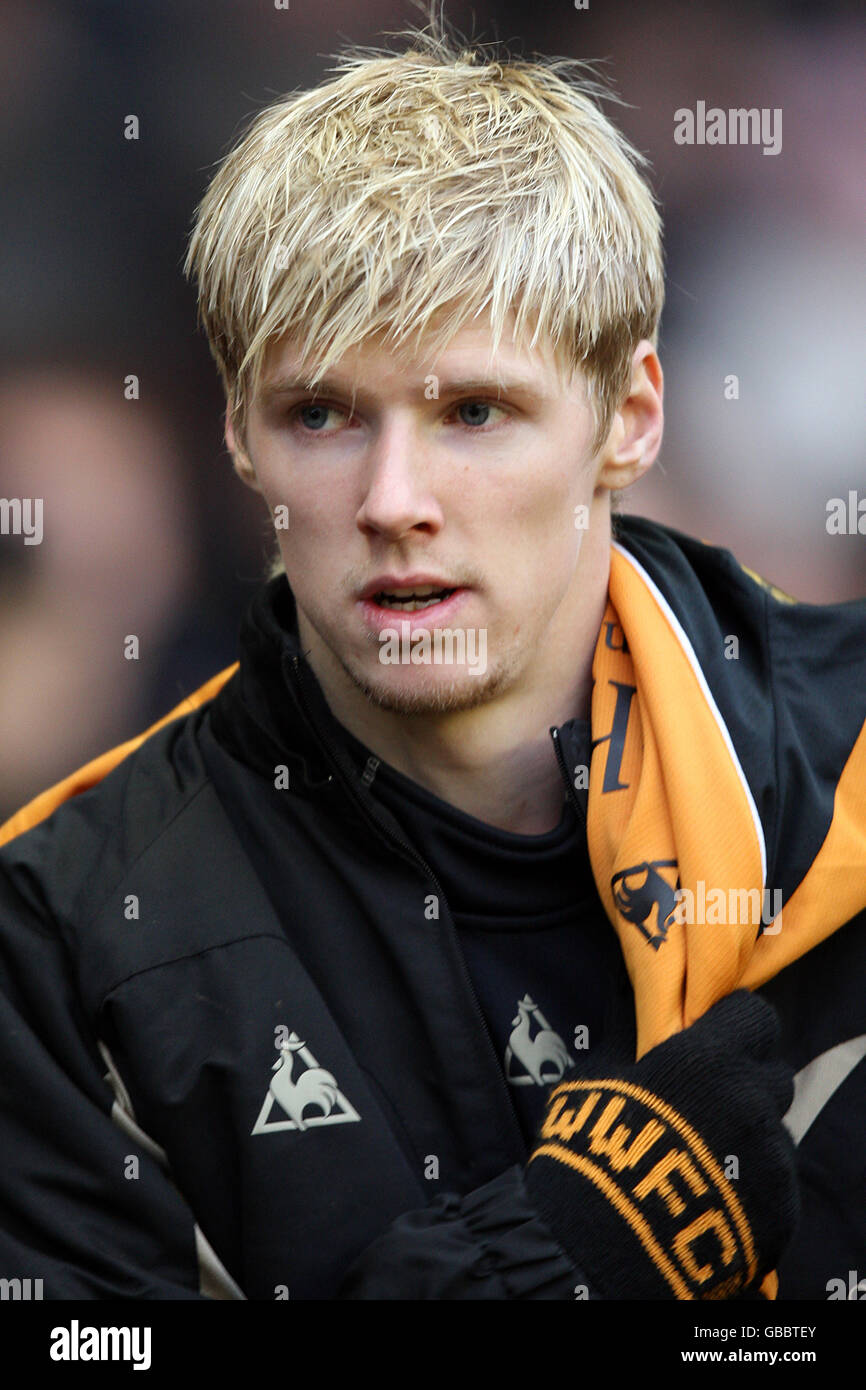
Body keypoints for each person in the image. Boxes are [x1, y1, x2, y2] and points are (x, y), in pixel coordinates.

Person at [1, 20, 864, 1303]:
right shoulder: (63, 933)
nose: (393, 497)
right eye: (321, 415)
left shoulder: (848, 772)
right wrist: (551, 1262)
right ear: (239, 438)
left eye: (473, 412)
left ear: (627, 419)